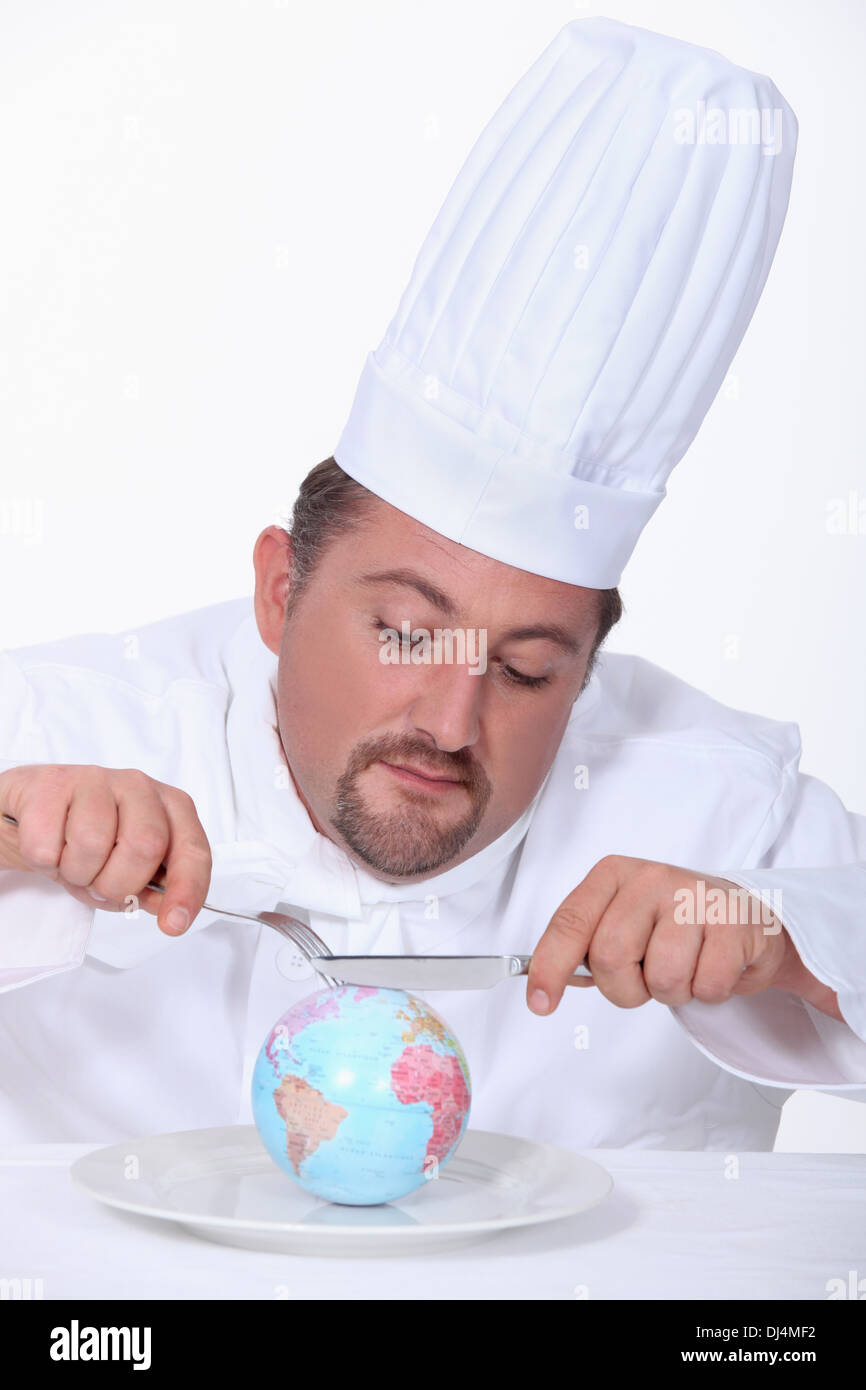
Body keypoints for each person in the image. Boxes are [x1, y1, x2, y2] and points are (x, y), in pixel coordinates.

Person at [1, 17, 864, 1150]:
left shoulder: (723, 808)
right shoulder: (59, 727)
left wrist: (791, 941)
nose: (452, 722)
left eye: (525, 667)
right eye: (407, 633)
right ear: (280, 587)